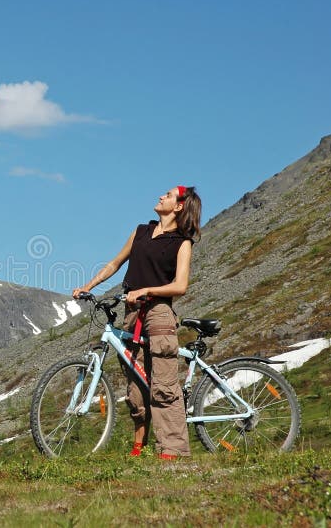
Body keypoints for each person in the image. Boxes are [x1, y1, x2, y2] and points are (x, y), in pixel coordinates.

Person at [72, 186, 202, 460]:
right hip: (132, 314)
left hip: (158, 313)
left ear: (178, 207)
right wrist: (88, 286)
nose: (160, 197)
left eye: (167, 195)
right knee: (136, 384)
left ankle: (173, 449)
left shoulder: (182, 242)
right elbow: (115, 263)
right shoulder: (141, 231)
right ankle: (139, 444)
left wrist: (148, 290)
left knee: (164, 383)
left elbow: (180, 285)